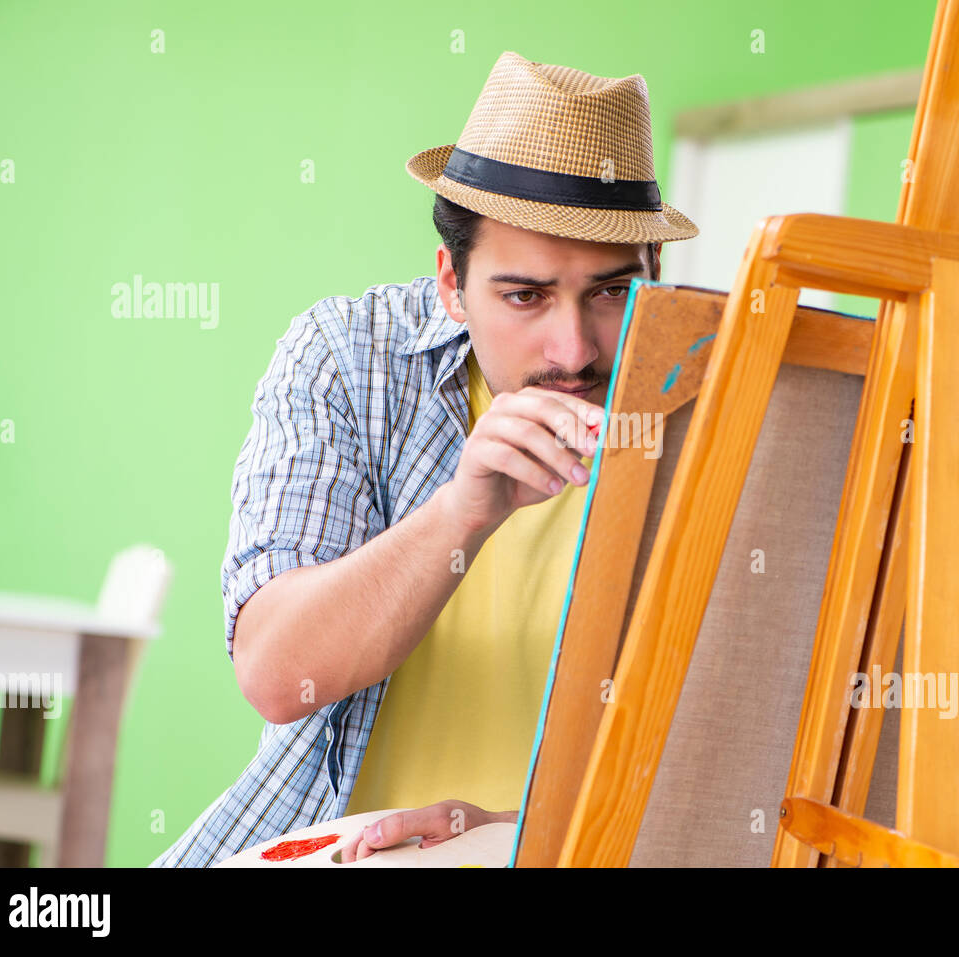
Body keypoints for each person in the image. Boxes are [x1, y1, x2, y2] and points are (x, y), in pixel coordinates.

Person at [151, 50, 697, 866]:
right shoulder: (346, 358)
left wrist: (518, 829)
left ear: (655, 271)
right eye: (526, 296)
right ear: (451, 280)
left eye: (612, 291)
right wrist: (462, 512)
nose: (574, 347)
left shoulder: (716, 400)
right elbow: (275, 669)